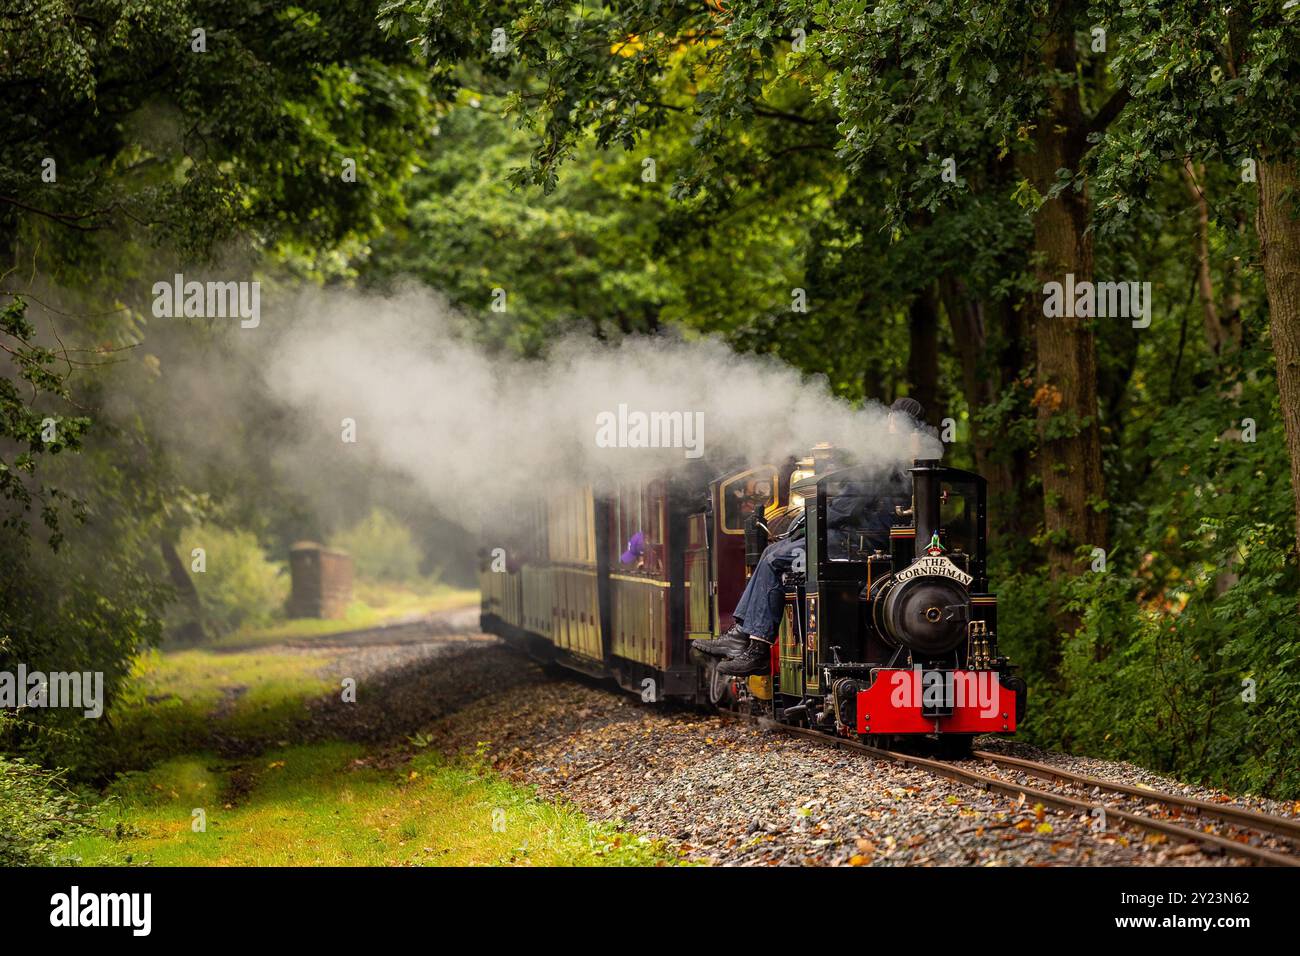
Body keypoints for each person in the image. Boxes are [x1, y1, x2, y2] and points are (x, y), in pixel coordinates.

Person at [696, 397, 927, 676]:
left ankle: (755, 649)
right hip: (863, 537)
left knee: (773, 559)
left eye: (890, 419)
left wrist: (817, 516)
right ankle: (743, 636)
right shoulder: (907, 454)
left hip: (857, 544)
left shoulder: (888, 457)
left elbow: (851, 505)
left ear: (896, 421)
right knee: (773, 553)